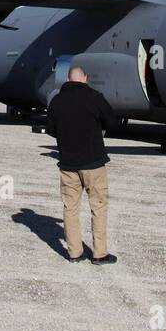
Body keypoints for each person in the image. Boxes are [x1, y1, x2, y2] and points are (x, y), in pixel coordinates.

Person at [45, 65, 118, 265]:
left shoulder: (57, 101)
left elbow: (50, 129)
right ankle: (100, 253)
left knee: (70, 208)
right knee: (99, 207)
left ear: (69, 79)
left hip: (68, 163)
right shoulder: (95, 97)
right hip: (93, 162)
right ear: (85, 78)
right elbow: (112, 122)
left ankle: (74, 252)